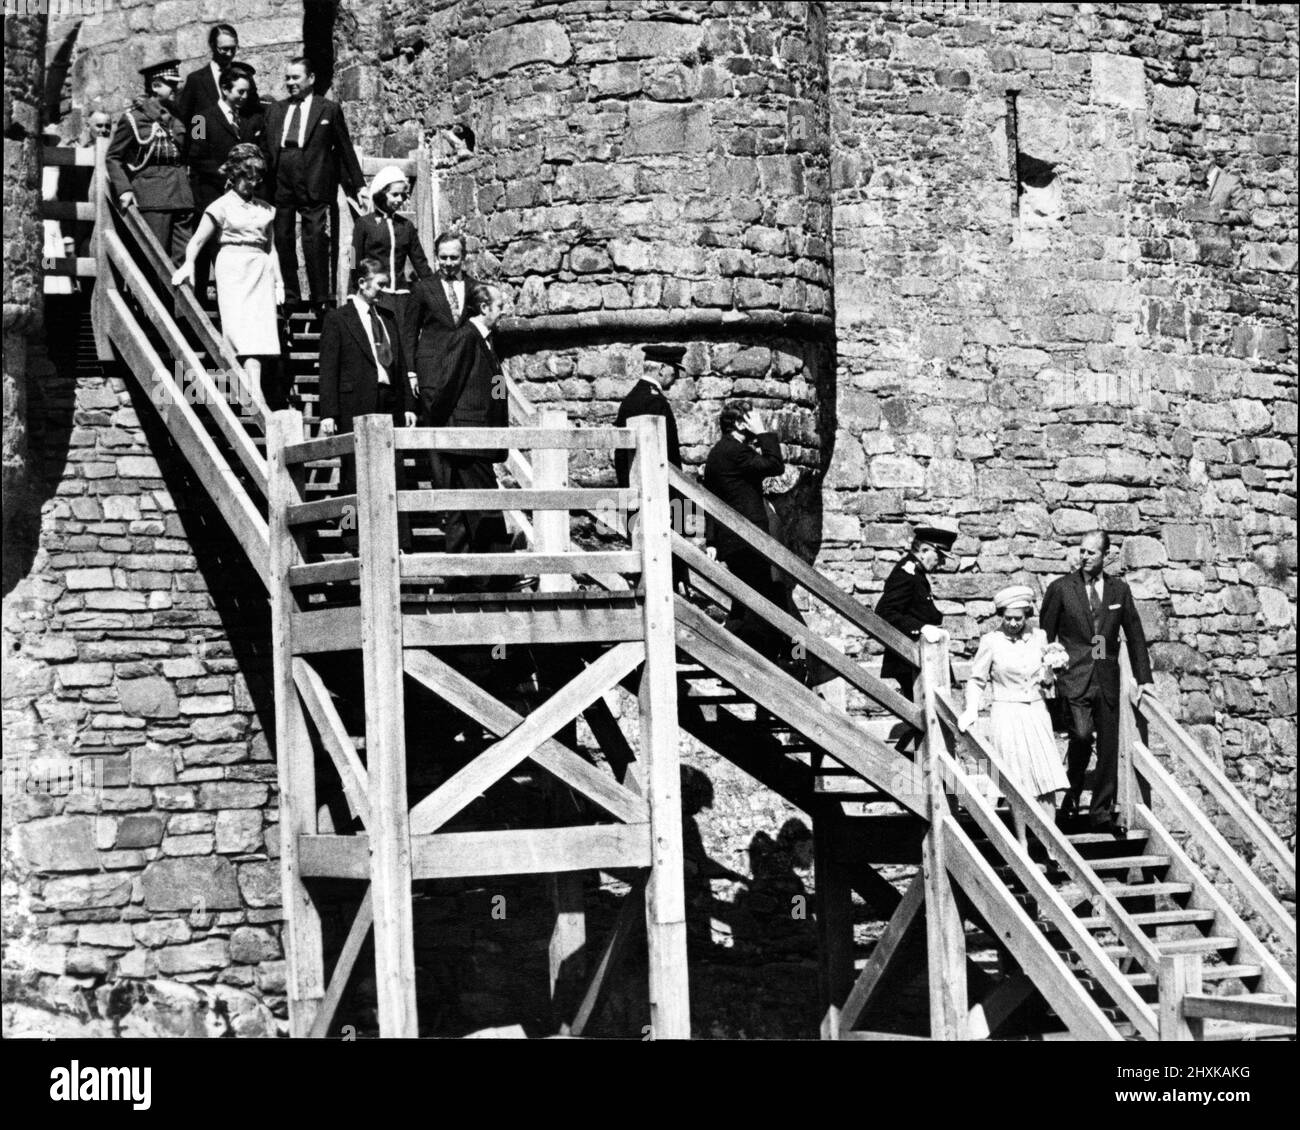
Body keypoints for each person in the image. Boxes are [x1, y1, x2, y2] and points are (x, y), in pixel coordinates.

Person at [1040, 530, 1153, 834]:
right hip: (1073, 678)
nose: (1085, 556)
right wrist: (1047, 671)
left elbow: (1134, 632)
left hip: (1106, 678)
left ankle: (1101, 812)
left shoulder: (1118, 591)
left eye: (1092, 552)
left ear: (1106, 556)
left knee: (1107, 745)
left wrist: (1144, 678)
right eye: (1082, 551)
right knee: (1079, 735)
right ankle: (1072, 793)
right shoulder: (1061, 588)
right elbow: (1044, 635)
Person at [171, 143, 285, 411]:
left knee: (258, 333)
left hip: (260, 268)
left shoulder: (266, 209)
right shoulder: (220, 207)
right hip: (232, 267)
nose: (252, 183)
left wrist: (279, 281)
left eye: (257, 177)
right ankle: (250, 390)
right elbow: (196, 242)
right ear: (234, 175)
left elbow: (272, 248)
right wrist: (188, 265)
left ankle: (253, 389)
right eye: (248, 177)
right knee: (238, 330)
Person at [958, 585, 1071, 845]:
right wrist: (971, 709)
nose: (1012, 623)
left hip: (1036, 711)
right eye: (1007, 618)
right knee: (1016, 780)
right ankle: (1022, 844)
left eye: (1018, 618)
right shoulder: (991, 641)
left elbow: (1046, 680)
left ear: (1027, 615)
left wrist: (1054, 669)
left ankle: (1050, 844)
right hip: (1007, 713)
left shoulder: (1040, 637)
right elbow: (977, 679)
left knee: (1045, 779)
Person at [317, 258, 416, 549]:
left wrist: (409, 405)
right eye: (380, 285)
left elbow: (400, 366)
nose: (384, 291)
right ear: (362, 283)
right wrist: (328, 412)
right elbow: (328, 368)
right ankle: (350, 538)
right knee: (351, 476)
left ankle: (401, 541)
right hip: (353, 404)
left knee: (395, 472)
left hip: (389, 402)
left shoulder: (387, 318)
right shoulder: (338, 318)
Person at [702, 401, 806, 668]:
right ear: (739, 424)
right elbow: (775, 465)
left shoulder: (721, 453)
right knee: (769, 607)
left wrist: (712, 540)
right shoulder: (734, 452)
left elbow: (712, 500)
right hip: (748, 543)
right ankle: (793, 662)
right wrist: (763, 433)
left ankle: (794, 660)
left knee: (757, 605)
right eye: (751, 419)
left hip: (742, 543)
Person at [262, 56, 364, 310]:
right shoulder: (275, 110)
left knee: (315, 237)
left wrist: (359, 185)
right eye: (287, 77)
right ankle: (291, 295)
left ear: (311, 79)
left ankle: (321, 297)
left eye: (295, 77)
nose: (290, 83)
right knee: (283, 236)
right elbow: (265, 148)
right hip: (281, 177)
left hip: (315, 179)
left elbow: (344, 149)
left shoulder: (328, 109)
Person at [429, 284, 512, 584]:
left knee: (462, 514)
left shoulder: (488, 342)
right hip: (467, 440)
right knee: (485, 505)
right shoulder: (466, 338)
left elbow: (495, 388)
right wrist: (440, 433)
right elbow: (447, 386)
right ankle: (501, 575)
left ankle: (459, 580)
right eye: (499, 304)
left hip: (479, 439)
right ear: (483, 308)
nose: (503, 309)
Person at [614, 344, 690, 593]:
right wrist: (677, 504)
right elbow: (666, 458)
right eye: (674, 371)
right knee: (663, 566)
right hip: (658, 498)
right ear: (662, 368)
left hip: (634, 495)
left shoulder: (630, 400)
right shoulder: (653, 402)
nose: (676, 377)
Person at [186, 65, 264, 303]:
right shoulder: (200, 118)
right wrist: (225, 175)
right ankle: (197, 305)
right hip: (211, 195)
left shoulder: (253, 120)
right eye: (240, 92)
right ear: (224, 89)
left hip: (242, 199)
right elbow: (195, 154)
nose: (244, 97)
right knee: (204, 253)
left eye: (247, 92)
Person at [106, 58, 194, 262]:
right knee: (155, 257)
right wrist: (124, 189)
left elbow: (194, 143)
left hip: (182, 194)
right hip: (153, 195)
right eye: (171, 84)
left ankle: (181, 296)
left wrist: (201, 127)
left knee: (184, 258)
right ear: (155, 86)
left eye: (176, 83)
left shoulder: (180, 115)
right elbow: (113, 157)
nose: (176, 88)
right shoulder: (134, 118)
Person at [875, 520, 959, 702]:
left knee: (933, 714)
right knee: (925, 715)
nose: (942, 562)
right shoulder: (907, 574)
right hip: (910, 659)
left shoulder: (916, 574)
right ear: (924, 550)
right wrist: (920, 628)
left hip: (923, 657)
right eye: (940, 555)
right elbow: (885, 612)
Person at [400, 232, 481, 404]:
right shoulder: (422, 288)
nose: (448, 263)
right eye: (443, 257)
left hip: (465, 372)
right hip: (432, 373)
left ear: (464, 256)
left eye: (454, 257)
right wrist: (411, 372)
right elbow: (409, 334)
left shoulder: (475, 288)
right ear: (436, 256)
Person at [350, 166, 433, 325]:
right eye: (394, 194)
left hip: (401, 296)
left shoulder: (406, 226)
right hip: (375, 294)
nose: (399, 200)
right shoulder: (364, 224)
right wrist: (353, 293)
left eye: (403, 195)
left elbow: (420, 263)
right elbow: (354, 260)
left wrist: (436, 290)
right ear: (381, 193)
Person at [176, 23, 262, 135]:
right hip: (210, 147)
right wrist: (200, 143)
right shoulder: (196, 80)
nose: (229, 54)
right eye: (224, 49)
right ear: (212, 46)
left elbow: (255, 110)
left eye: (233, 48)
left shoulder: (245, 76)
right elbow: (190, 117)